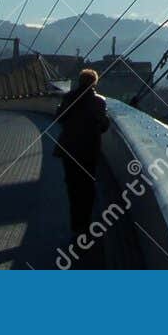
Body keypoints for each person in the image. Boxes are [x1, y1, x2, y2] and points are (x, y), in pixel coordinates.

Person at [53, 69, 109, 239]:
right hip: (88, 149)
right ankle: (85, 222)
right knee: (87, 185)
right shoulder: (99, 101)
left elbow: (60, 118)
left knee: (73, 185)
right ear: (94, 83)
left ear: (79, 81)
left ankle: (75, 223)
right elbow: (104, 126)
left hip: (69, 148)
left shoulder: (68, 97)